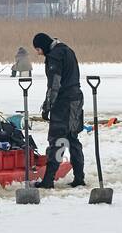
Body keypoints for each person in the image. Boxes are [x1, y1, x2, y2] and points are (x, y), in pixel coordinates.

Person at [32, 32, 86, 188]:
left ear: (42, 46)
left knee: (57, 140)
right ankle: (79, 177)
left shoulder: (54, 56)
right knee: (72, 138)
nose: (38, 53)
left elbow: (54, 85)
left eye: (37, 49)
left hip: (63, 103)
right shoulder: (67, 50)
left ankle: (48, 180)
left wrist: (47, 106)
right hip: (76, 99)